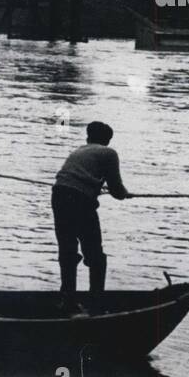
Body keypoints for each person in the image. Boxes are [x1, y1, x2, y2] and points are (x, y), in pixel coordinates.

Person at [52, 121, 131, 309]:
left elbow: (77, 176)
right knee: (95, 254)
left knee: (68, 250)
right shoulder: (108, 153)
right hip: (80, 200)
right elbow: (117, 190)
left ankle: (68, 300)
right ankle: (96, 302)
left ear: (89, 137)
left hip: (59, 195)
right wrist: (125, 193)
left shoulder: (79, 151)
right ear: (107, 140)